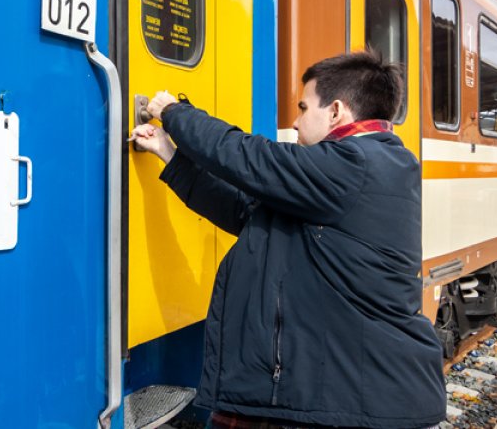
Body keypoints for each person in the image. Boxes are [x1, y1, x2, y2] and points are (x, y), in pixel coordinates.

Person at [130, 50, 445, 429]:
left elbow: (249, 156)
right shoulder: (357, 169)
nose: (294, 122)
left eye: (303, 108)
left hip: (349, 403)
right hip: (333, 393)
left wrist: (174, 112)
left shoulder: (358, 163)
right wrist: (169, 154)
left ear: (336, 111)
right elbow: (246, 212)